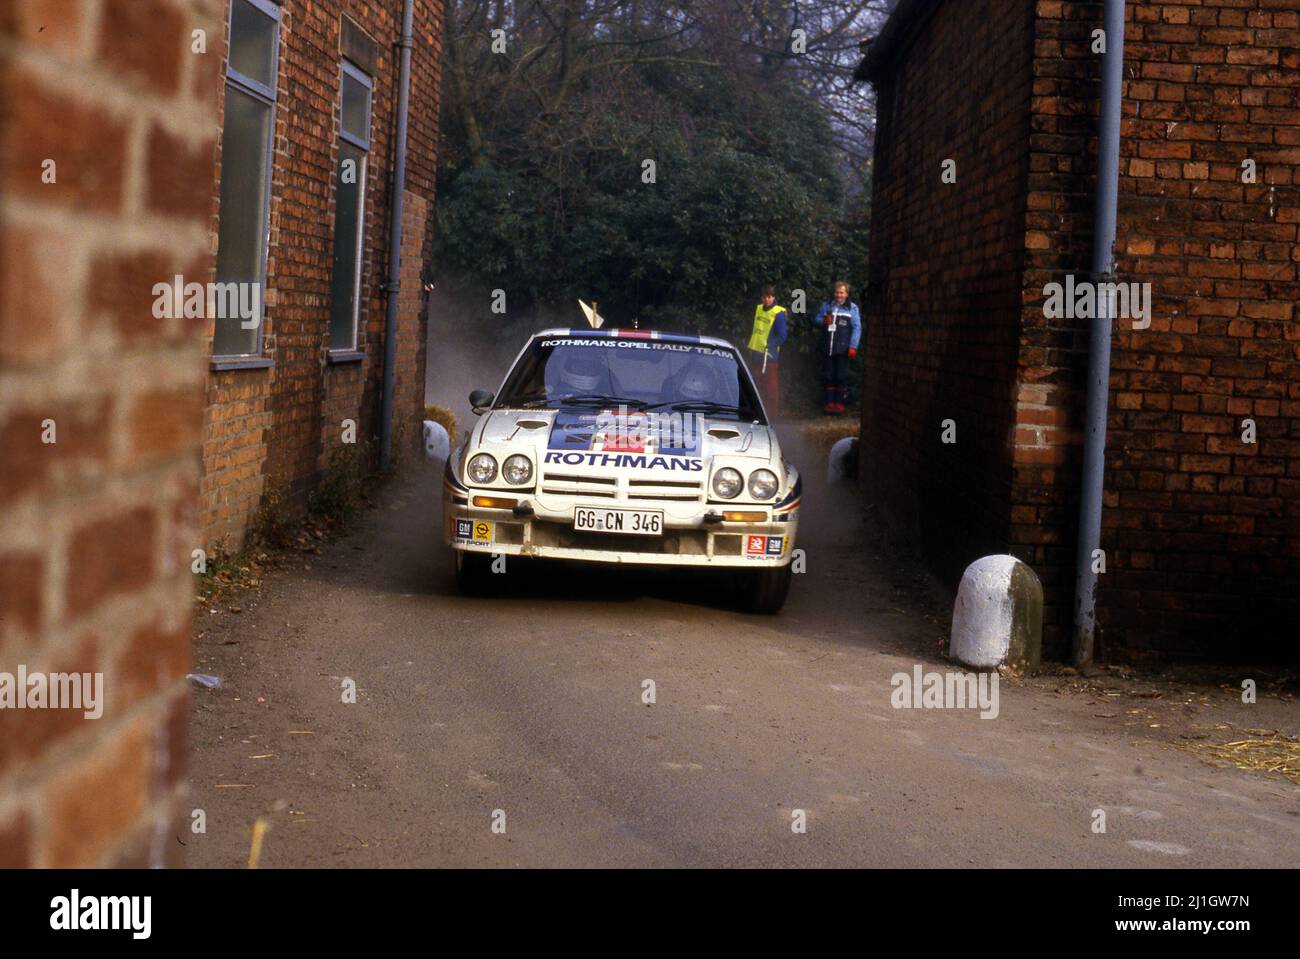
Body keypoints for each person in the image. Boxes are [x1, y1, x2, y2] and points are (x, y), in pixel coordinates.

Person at [813, 281, 861, 414]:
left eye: (841, 293)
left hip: (843, 349)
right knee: (828, 375)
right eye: (837, 292)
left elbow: (857, 328)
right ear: (834, 293)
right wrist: (823, 320)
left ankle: (839, 404)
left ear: (846, 294)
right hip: (828, 347)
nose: (839, 295)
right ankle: (829, 403)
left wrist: (853, 346)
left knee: (840, 376)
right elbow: (816, 319)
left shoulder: (852, 308)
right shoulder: (827, 305)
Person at [746, 285, 788, 416]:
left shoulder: (779, 313)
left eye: (769, 297)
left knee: (770, 386)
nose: (766, 299)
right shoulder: (759, 309)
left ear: (773, 297)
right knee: (756, 384)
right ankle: (757, 410)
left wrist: (770, 345)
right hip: (756, 353)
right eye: (764, 296)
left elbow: (782, 336)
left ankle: (772, 413)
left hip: (769, 356)